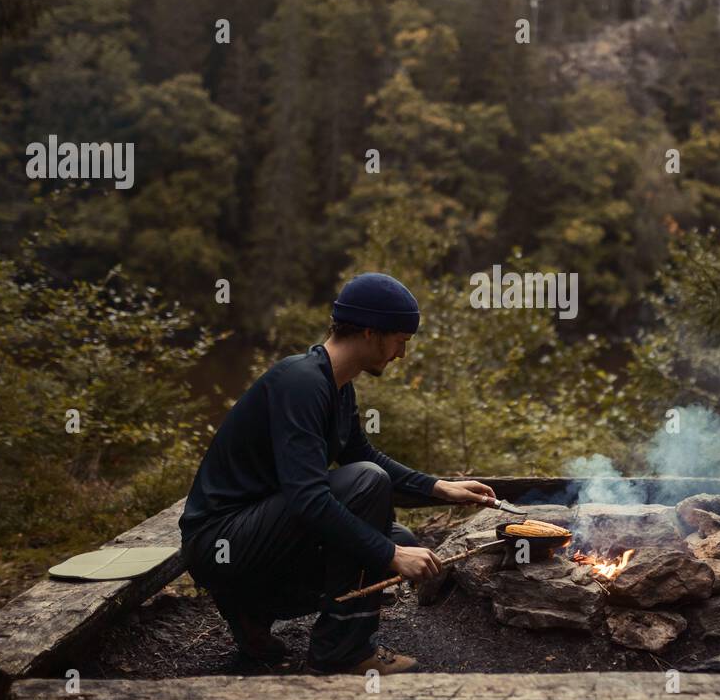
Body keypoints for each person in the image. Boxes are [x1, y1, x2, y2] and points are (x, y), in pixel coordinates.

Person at [177, 273, 496, 673]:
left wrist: (439, 487)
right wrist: (391, 556)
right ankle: (342, 651)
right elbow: (309, 497)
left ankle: (251, 611)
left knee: (396, 534)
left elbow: (361, 453)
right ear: (370, 332)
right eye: (400, 341)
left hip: (254, 537)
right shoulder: (302, 383)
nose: (401, 354)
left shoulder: (337, 386)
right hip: (220, 540)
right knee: (373, 504)